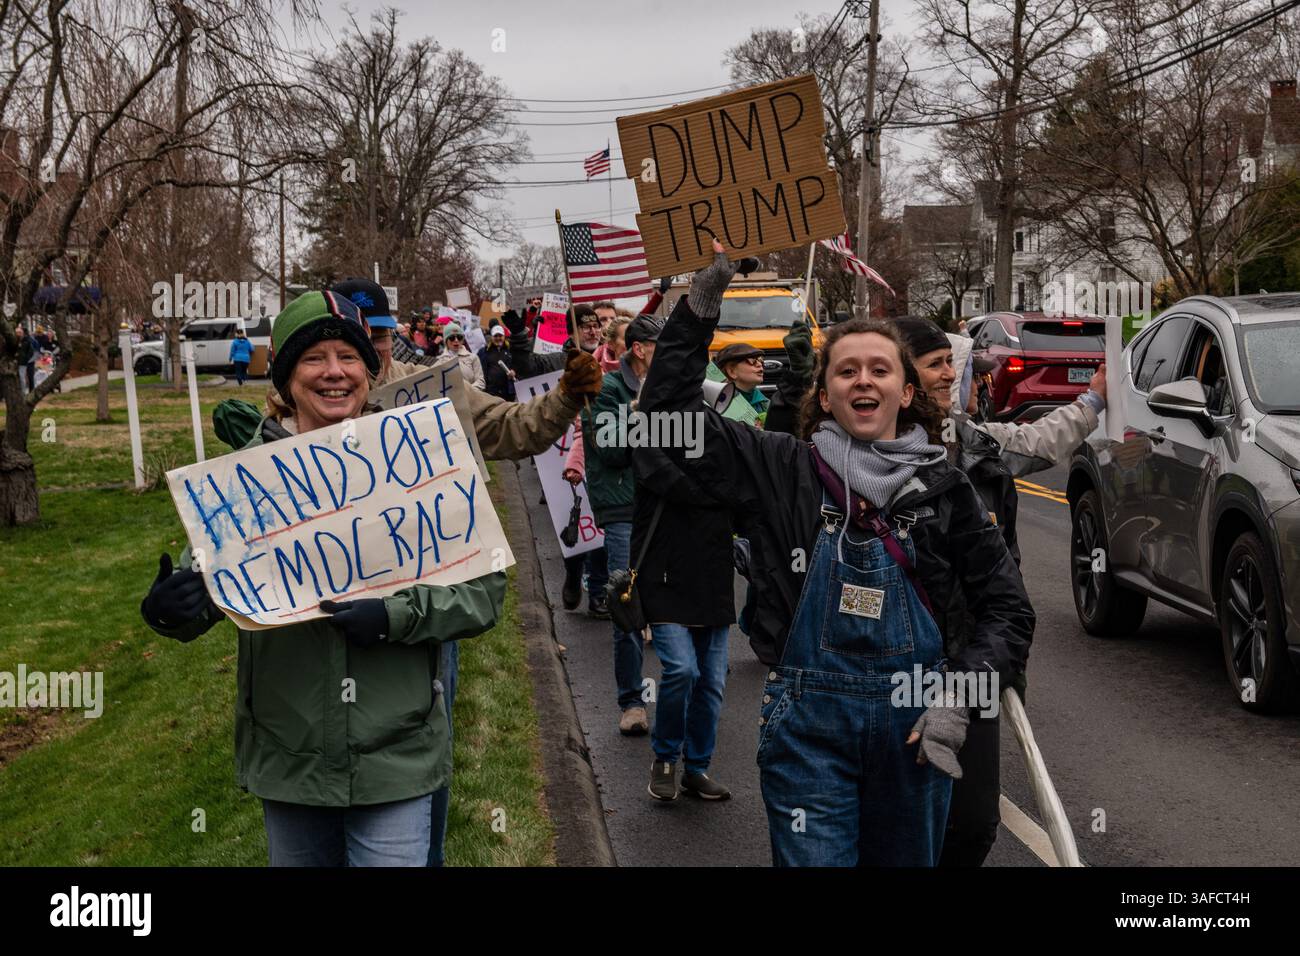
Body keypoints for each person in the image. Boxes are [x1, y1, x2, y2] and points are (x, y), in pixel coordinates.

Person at [639, 242, 1034, 866]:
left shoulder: (947, 491)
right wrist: (698, 305)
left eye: (881, 369)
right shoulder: (781, 469)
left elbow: (1007, 612)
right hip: (808, 739)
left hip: (915, 736)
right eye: (846, 371)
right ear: (825, 396)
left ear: (907, 394)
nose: (864, 380)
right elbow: (663, 419)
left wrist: (960, 693)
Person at [140, 291, 506, 867]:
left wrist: (394, 617)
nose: (334, 372)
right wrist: (174, 608)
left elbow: (483, 595)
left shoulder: (421, 458)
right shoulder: (248, 478)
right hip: (292, 759)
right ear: (286, 378)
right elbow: (213, 588)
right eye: (314, 358)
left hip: (397, 754)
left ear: (369, 369)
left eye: (348, 356)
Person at [893, 316, 1105, 868]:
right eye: (940, 364)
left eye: (953, 364)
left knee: (972, 823)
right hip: (890, 669)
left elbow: (1038, 441)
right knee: (899, 820)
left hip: (974, 663)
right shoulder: (857, 456)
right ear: (901, 375)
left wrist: (1095, 401)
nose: (955, 377)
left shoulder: (976, 445)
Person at [580, 314, 667, 736]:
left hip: (663, 505)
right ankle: (632, 702)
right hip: (622, 509)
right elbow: (611, 449)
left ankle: (679, 692)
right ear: (639, 349)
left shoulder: (663, 386)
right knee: (626, 602)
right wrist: (639, 413)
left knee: (670, 602)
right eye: (659, 345)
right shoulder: (607, 390)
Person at [709, 343, 770, 427]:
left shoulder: (766, 404)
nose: (760, 364)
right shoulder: (714, 405)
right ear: (731, 371)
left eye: (760, 360)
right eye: (752, 360)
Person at [442, 322, 485, 390]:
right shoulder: (440, 361)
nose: (456, 340)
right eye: (452, 338)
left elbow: (480, 382)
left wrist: (467, 391)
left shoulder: (473, 357)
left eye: (459, 337)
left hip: (471, 397)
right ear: (446, 341)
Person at [478, 324, 515, 401]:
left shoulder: (511, 350)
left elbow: (519, 366)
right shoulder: (484, 351)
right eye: (495, 336)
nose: (498, 338)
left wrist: (514, 372)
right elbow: (478, 368)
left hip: (507, 392)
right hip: (490, 392)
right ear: (491, 337)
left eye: (500, 336)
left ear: (504, 337)